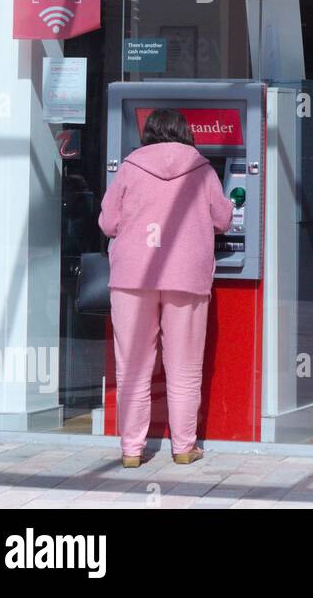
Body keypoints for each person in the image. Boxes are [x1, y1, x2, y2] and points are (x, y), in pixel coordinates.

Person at [99, 108, 232, 468]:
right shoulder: (203, 169)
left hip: (132, 276)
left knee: (133, 367)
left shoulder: (129, 167)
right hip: (186, 275)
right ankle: (184, 448)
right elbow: (222, 219)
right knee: (185, 367)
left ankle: (131, 450)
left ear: (148, 134)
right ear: (186, 132)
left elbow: (108, 222)